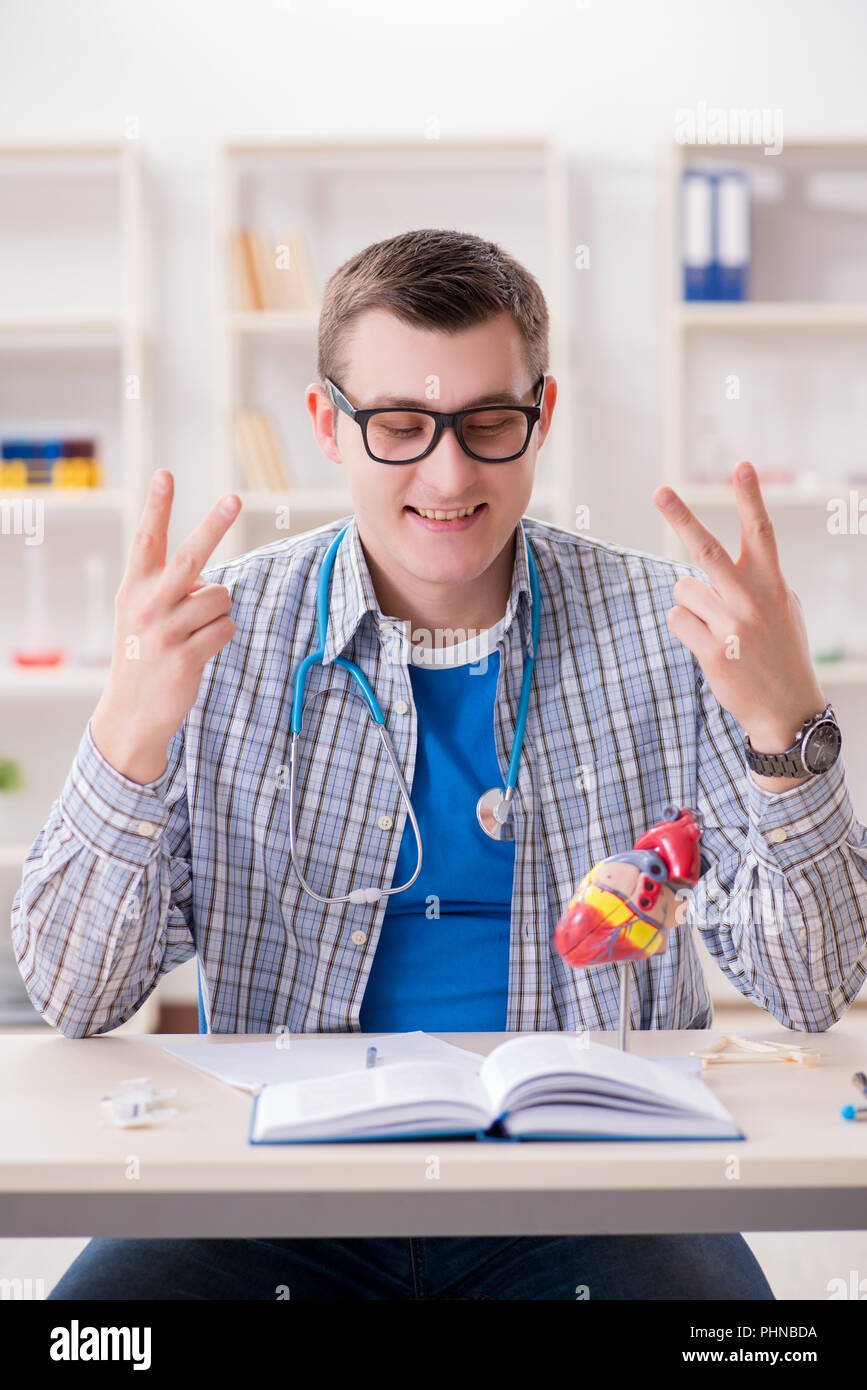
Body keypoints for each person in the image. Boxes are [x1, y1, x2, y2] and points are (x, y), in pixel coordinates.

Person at [15, 228, 867, 1300]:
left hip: (602, 1193)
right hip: (273, 1193)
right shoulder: (220, 637)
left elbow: (813, 989)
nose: (449, 473)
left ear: (542, 417)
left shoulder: (675, 630)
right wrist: (126, 737)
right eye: (402, 426)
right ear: (327, 424)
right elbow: (71, 993)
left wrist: (790, 730)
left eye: (489, 423)